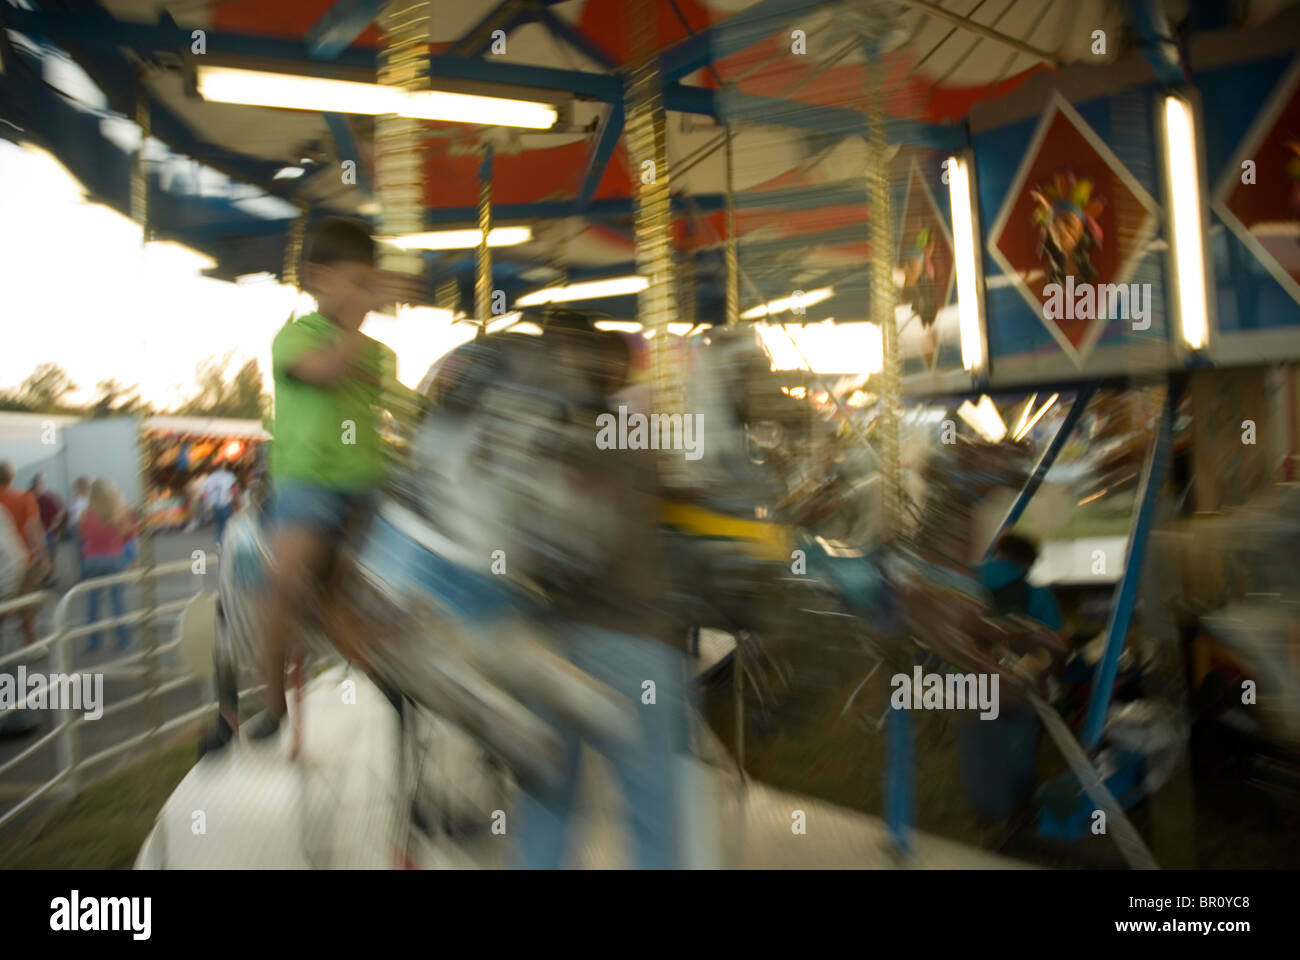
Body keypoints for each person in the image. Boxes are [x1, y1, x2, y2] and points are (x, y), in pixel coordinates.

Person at [251, 216, 415, 739]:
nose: (365, 294)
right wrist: (354, 322)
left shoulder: (379, 355)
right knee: (287, 582)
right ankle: (272, 703)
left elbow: (409, 408)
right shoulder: (293, 338)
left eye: (370, 282)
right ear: (319, 278)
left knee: (390, 588)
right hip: (309, 482)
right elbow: (326, 372)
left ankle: (396, 676)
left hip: (367, 483)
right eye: (357, 281)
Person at [79, 478, 133, 651]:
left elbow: (83, 536)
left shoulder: (85, 513)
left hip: (91, 560)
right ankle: (123, 639)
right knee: (117, 600)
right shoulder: (119, 511)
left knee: (93, 602)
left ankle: (93, 642)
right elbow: (128, 534)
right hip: (114, 558)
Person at [0, 462, 48, 646]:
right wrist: (44, 556)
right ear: (12, 477)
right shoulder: (24, 497)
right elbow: (35, 528)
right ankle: (31, 643)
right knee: (27, 604)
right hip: (22, 559)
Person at [29, 473, 65, 567]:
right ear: (35, 485)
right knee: (39, 555)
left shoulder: (49, 497)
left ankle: (52, 573)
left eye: (43, 483)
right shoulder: (30, 498)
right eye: (40, 484)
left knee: (52, 553)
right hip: (36, 533)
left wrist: (54, 526)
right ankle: (46, 572)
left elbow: (60, 513)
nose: (42, 486)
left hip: (48, 532)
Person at [202, 463, 238, 546]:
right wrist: (236, 501)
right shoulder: (229, 476)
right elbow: (234, 490)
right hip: (226, 503)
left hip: (215, 504)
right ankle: (227, 541)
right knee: (227, 523)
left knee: (218, 524)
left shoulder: (210, 477)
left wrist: (206, 506)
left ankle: (219, 541)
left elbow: (205, 493)